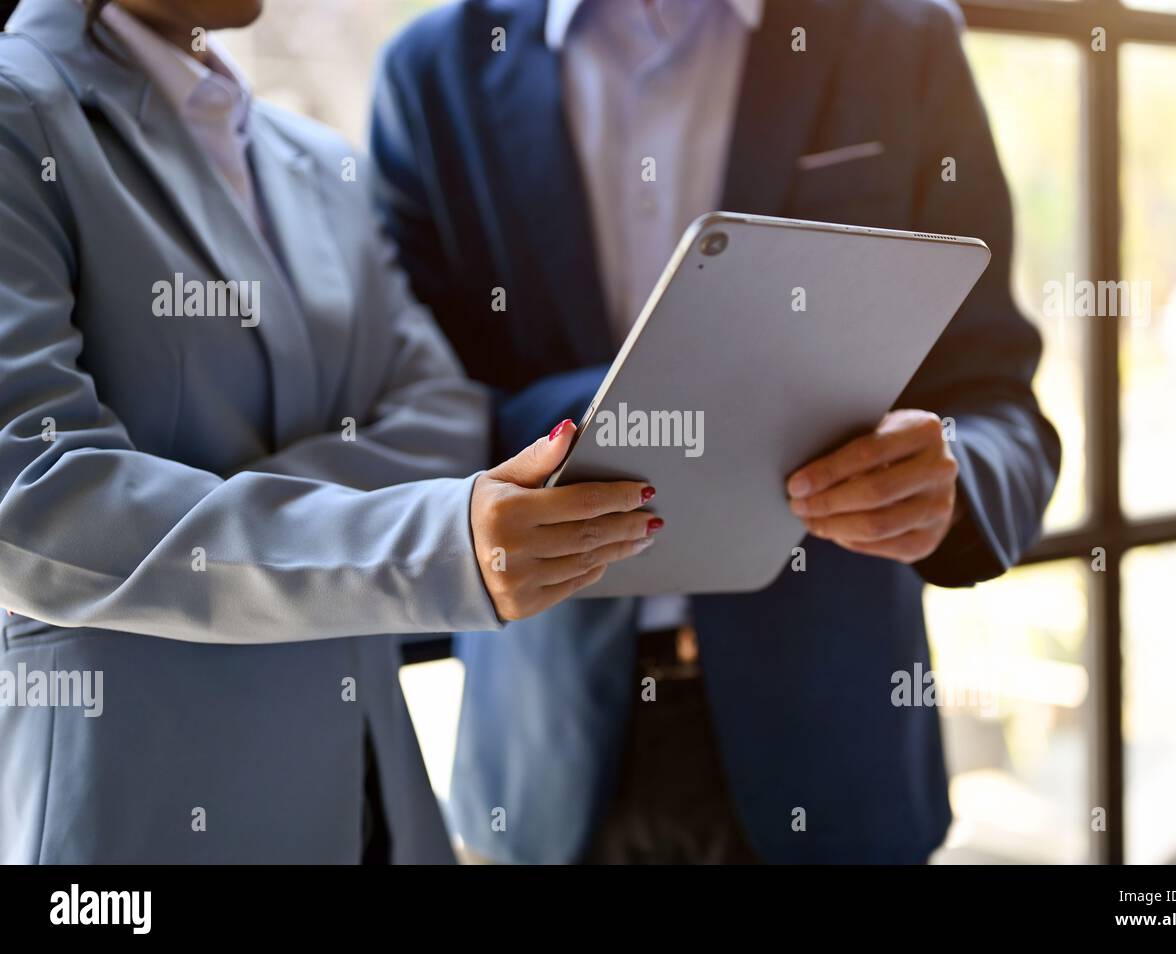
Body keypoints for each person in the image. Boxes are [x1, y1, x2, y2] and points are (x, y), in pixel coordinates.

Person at [371, 0, 1062, 863]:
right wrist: (655, 403)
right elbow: (409, 416)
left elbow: (997, 399)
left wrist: (952, 483)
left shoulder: (901, 39)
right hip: (547, 747)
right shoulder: (432, 71)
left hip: (836, 743)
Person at [0, 0, 658, 863]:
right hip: (137, 814)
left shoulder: (313, 161)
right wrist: (419, 539)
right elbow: (32, 502)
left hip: (367, 803)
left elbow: (441, 417)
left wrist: (202, 506)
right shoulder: (19, 114)